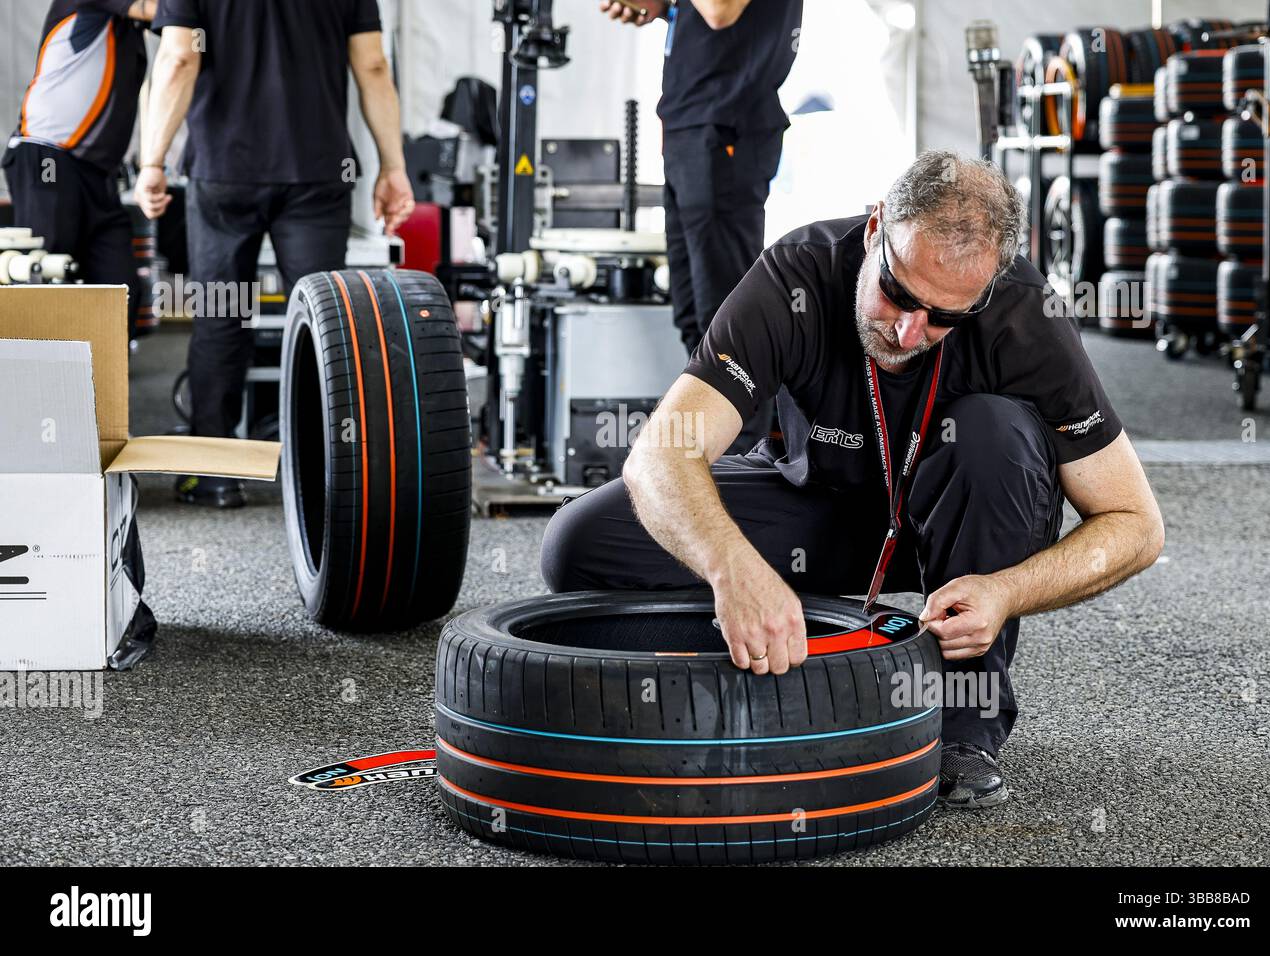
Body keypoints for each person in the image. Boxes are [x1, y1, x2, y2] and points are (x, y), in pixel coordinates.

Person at [541, 151, 1166, 808]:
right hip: (823, 509)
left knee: (994, 433)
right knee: (581, 541)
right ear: (875, 231)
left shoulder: (1024, 316)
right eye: (897, 294)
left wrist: (1007, 591)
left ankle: (962, 729)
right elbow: (659, 454)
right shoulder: (798, 273)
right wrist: (731, 568)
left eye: (942, 318)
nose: (907, 329)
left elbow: (1135, 525)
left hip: (967, 522)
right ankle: (738, 664)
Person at [134, 0, 414, 508]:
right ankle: (327, 468)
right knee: (326, 327)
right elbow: (372, 65)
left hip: (224, 171)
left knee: (223, 315)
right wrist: (393, 166)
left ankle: (213, 474)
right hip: (318, 171)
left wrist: (152, 160)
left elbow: (178, 58)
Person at [599, 0, 802, 453]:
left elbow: (720, 9)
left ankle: (744, 461)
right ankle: (719, 453)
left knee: (726, 318)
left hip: (725, 126)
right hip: (692, 126)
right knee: (695, 316)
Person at [3, 0, 157, 324]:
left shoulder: (128, 26)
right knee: (46, 275)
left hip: (97, 172)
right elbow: (162, 10)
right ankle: (36, 372)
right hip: (49, 157)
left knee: (122, 288)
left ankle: (104, 372)